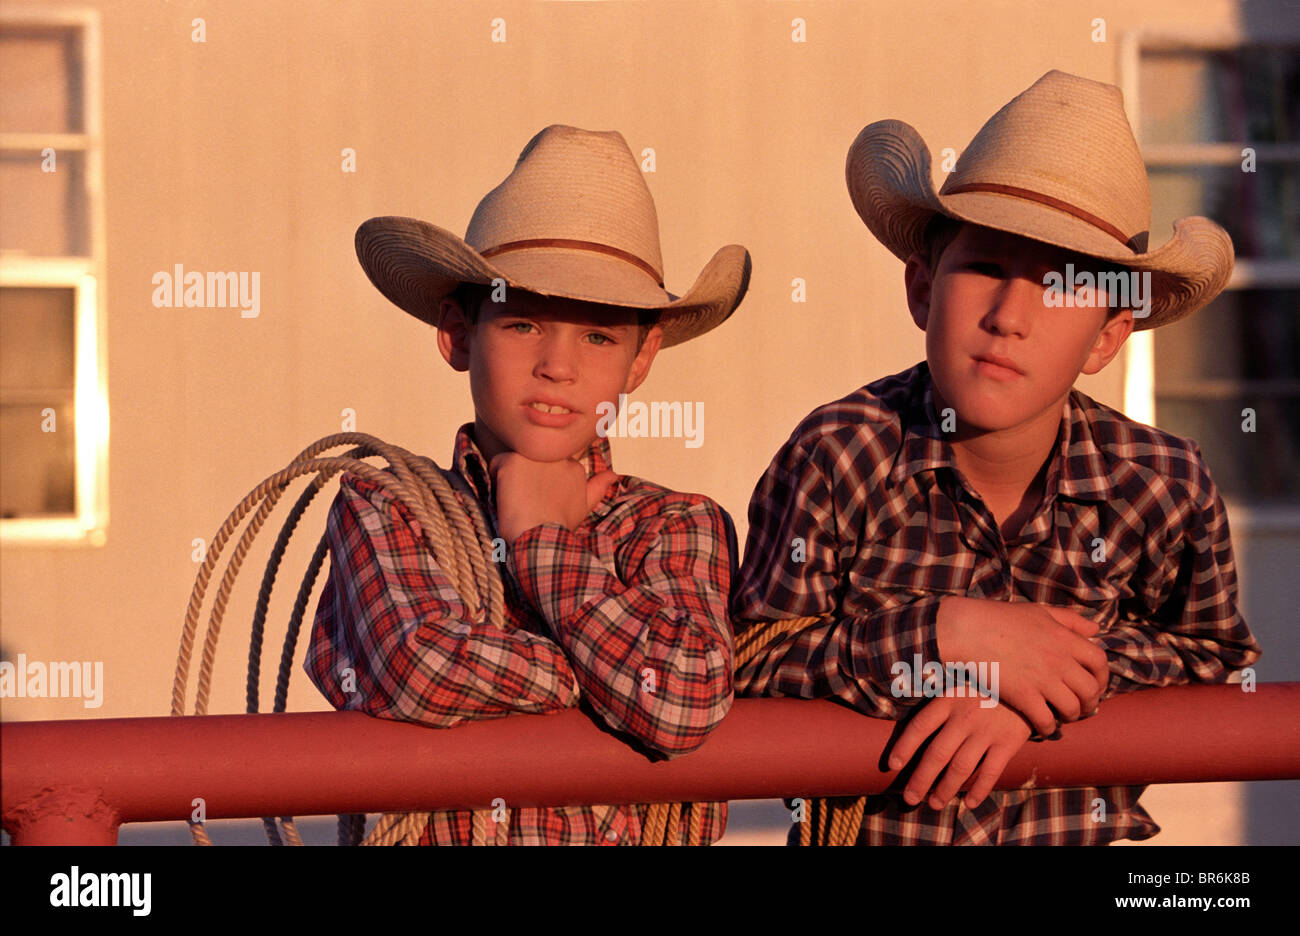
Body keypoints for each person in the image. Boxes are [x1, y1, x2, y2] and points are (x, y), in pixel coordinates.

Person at [731, 70, 1262, 845]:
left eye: (1060, 286)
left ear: (1108, 338)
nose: (1010, 316)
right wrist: (949, 637)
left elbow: (1215, 658)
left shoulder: (1164, 485)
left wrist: (1051, 680)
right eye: (985, 267)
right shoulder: (837, 453)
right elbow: (752, 660)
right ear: (922, 289)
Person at [305, 124, 750, 845]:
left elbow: (684, 698)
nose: (557, 366)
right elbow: (418, 666)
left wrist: (539, 541)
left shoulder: (675, 524)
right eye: (522, 325)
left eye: (599, 336)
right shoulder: (385, 504)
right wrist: (598, 679)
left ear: (640, 362)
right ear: (457, 334)